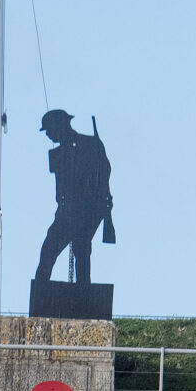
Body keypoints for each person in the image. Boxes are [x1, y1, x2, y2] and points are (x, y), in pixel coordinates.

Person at [31, 109, 113, 286]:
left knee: (79, 250)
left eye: (49, 130)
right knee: (52, 250)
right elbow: (60, 189)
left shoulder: (91, 144)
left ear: (60, 126)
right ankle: (42, 290)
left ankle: (82, 292)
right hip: (68, 211)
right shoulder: (56, 154)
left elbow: (105, 172)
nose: (48, 135)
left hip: (88, 210)